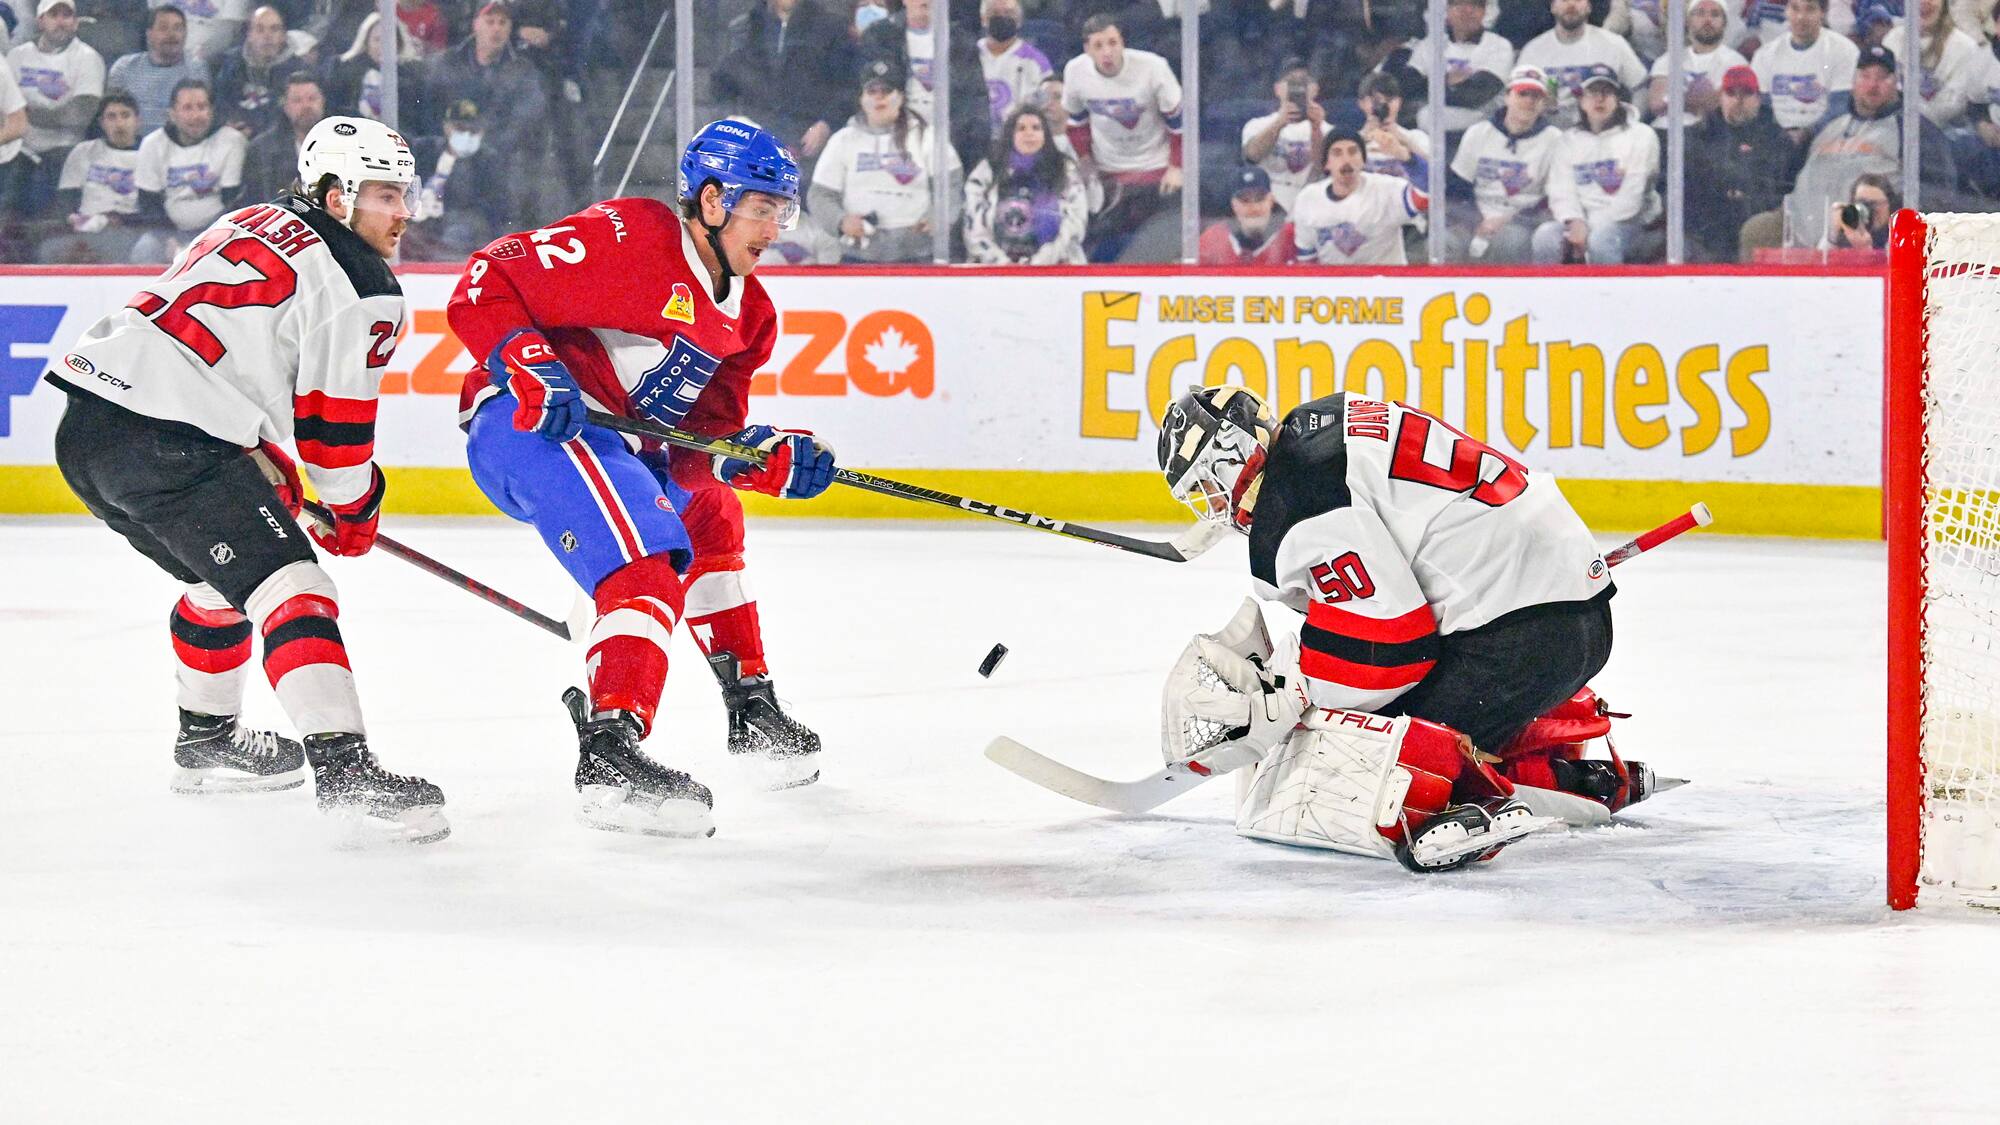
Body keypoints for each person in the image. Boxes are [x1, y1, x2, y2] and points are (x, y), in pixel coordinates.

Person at [45, 115, 443, 843]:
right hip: (172, 440)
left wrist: (261, 457)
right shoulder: (362, 281)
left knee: (228, 576)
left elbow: (220, 352)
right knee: (297, 586)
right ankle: (346, 771)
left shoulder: (254, 217)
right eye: (387, 195)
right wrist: (356, 511)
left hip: (90, 429)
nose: (403, 213)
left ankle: (207, 740)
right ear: (335, 196)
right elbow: (333, 438)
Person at [445, 120, 835, 839]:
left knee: (710, 512)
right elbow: (483, 280)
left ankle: (750, 706)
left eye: (785, 210)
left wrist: (761, 457)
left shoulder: (751, 315)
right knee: (648, 558)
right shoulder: (634, 235)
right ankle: (610, 751)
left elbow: (696, 449)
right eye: (763, 207)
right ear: (712, 201)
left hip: (619, 447)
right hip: (533, 426)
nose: (776, 226)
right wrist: (530, 363)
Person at [1150, 384, 1650, 872]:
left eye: (1203, 485)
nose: (1211, 503)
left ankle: (1480, 801)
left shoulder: (1297, 505)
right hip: (1575, 614)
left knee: (1352, 746)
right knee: (1393, 702)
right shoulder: (1328, 417)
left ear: (1230, 457)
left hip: (1521, 643)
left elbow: (1395, 647)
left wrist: (1295, 696)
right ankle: (1577, 776)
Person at [1756, 45, 1955, 249]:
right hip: (1800, 235)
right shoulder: (1830, 127)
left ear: (1897, 83)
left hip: (1866, 242)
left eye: (1882, 77)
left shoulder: (1914, 129)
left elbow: (1938, 193)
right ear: (1853, 82)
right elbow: (1789, 179)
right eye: (1865, 76)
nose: (1872, 85)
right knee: (1757, 231)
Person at [1062, 14, 1183, 262]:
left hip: (1156, 167)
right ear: (1087, 49)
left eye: (1113, 43)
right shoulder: (1075, 71)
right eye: (1098, 45)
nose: (1107, 52)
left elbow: (1179, 124)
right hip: (1108, 171)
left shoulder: (1153, 67)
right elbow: (1076, 123)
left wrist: (1176, 166)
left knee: (1159, 249)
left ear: (1122, 43)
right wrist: (1086, 161)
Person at [1533, 66, 1660, 263]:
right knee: (1545, 236)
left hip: (1632, 224)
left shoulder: (1642, 135)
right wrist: (1574, 221)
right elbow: (1561, 190)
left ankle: (1611, 294)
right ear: (1581, 100)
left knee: (1601, 240)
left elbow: (1632, 197)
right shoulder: (1567, 141)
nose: (1599, 99)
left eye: (1607, 92)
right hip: (1580, 223)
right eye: (1592, 92)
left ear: (1617, 99)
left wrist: (1587, 229)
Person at [712, 0, 855, 161]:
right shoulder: (743, 29)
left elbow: (848, 85)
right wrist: (734, 118)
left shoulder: (832, 28)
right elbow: (722, 84)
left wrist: (827, 125)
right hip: (755, 145)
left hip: (810, 145)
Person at [1447, 64, 1562, 261]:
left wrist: (1507, 220)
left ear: (1544, 103)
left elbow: (1553, 200)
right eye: (1522, 93)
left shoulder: (1555, 140)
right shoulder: (1478, 132)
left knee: (1510, 241)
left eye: (1536, 96)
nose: (1529, 101)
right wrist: (1476, 220)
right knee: (1445, 242)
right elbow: (1457, 189)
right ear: (1508, 96)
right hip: (1475, 215)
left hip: (1524, 220)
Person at [858, 0, 990, 168]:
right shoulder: (879, 36)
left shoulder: (962, 43)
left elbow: (975, 102)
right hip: (892, 142)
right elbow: (864, 91)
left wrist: (971, 152)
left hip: (948, 145)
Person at [1683, 66, 1795, 261]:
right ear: (1721, 98)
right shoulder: (1699, 136)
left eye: (1747, 93)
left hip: (1758, 225)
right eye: (1731, 93)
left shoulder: (1778, 139)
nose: (1738, 100)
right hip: (1709, 231)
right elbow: (1690, 193)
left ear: (1759, 99)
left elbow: (1785, 189)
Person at [129, 78, 244, 262]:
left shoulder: (231, 141)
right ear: (172, 114)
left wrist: (210, 239)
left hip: (220, 232)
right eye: (187, 108)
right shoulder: (153, 144)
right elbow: (149, 203)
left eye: (201, 107)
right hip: (169, 233)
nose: (196, 115)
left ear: (211, 111)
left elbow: (233, 201)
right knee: (145, 250)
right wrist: (168, 238)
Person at [8, 0, 105, 214]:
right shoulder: (17, 57)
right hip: (19, 149)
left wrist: (25, 113)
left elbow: (79, 115)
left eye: (67, 15)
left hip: (63, 151)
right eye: (54, 15)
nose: (61, 22)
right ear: (40, 21)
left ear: (75, 22)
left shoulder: (88, 58)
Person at [963, 102, 1086, 263]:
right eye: (1021, 128)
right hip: (994, 271)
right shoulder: (988, 169)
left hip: (1057, 267)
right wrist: (1002, 264)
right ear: (1010, 134)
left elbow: (1076, 222)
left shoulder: (1064, 168)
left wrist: (1040, 262)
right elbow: (973, 225)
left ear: (1045, 134)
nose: (1029, 134)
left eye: (1036, 128)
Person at [1291, 126, 1427, 266]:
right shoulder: (1307, 199)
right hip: (1335, 284)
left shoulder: (1386, 189)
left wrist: (1405, 156)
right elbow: (1306, 260)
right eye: (1337, 153)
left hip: (1385, 283)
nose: (1346, 160)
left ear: (1363, 160)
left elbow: (1427, 191)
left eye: (1353, 152)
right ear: (1326, 163)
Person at [1386, 0, 1514, 141]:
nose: (1467, 10)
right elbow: (1405, 87)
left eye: (1475, 4)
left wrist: (1429, 83)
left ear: (1485, 11)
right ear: (1446, 10)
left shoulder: (1498, 46)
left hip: (1480, 135)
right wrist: (1446, 79)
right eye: (1458, 4)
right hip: (1424, 136)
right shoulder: (1431, 43)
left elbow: (1475, 96)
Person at [38, 92, 140, 262]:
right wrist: (73, 219)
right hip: (85, 229)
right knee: (49, 250)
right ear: (102, 123)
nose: (119, 123)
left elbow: (152, 206)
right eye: (111, 117)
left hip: (127, 229)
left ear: (137, 120)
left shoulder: (149, 153)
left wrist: (117, 220)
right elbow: (66, 201)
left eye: (125, 116)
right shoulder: (84, 152)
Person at [1516, 0, 1647, 126]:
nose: (1571, 4)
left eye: (1578, 0)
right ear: (1553, 7)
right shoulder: (1533, 50)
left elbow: (1641, 88)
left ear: (1589, 7)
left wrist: (1631, 125)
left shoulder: (1613, 44)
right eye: (1564, 0)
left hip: (1601, 133)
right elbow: (1517, 98)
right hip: (1550, 136)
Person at [1749, 0, 1858, 140]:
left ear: (1823, 12)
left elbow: (1840, 108)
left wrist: (1807, 134)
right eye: (1795, 8)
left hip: (1827, 139)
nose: (1801, 17)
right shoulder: (1766, 54)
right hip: (1776, 140)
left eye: (1810, 9)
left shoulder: (1844, 50)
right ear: (1786, 11)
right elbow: (1762, 107)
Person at [1240, 58, 1327, 214]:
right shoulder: (1257, 125)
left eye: (1304, 82)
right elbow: (1252, 156)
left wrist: (1316, 130)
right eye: (1291, 83)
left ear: (1315, 89)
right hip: (1269, 205)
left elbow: (1323, 168)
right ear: (1277, 89)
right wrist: (1280, 123)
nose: (1298, 88)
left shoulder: (1327, 130)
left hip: (1310, 206)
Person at [1644, 0, 1746, 129]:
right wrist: (1699, 99)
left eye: (1715, 14)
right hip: (1666, 131)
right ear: (1688, 21)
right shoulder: (1668, 59)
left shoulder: (1737, 63)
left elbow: (1725, 107)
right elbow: (1656, 104)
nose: (1707, 20)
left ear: (1724, 23)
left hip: (1712, 134)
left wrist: (1676, 99)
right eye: (1700, 13)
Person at [209, 5, 307, 138]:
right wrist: (226, 125)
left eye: (274, 29)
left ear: (284, 35)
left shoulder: (298, 71)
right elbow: (220, 102)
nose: (267, 36)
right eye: (260, 29)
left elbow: (293, 116)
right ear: (249, 35)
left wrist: (254, 130)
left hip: (275, 142)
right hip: (231, 137)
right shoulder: (232, 63)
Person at [107, 6, 209, 133]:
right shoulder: (124, 66)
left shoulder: (196, 70)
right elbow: (111, 115)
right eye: (163, 28)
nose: (171, 34)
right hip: (132, 146)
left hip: (179, 145)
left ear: (185, 34)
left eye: (178, 28)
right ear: (149, 34)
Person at [240, 71, 320, 203]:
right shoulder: (262, 149)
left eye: (312, 98)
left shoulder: (345, 142)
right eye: (297, 100)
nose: (306, 106)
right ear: (285, 106)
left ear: (323, 101)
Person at [976, 0, 1052, 135]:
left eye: (1008, 12)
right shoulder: (969, 55)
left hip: (1017, 139)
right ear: (983, 19)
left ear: (1019, 20)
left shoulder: (1036, 61)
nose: (1002, 17)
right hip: (974, 139)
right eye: (995, 13)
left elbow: (1045, 106)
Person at [1196, 165, 1294, 265]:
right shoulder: (1213, 239)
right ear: (1233, 204)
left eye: (1260, 199)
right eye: (1245, 200)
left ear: (1271, 200)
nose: (1254, 208)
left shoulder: (1292, 236)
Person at [154, 0, 248, 66]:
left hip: (204, 60)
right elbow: (150, 20)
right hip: (161, 52)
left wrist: (202, 52)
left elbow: (230, 31)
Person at [1826, 170, 1898, 249]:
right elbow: (1821, 257)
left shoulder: (1896, 237)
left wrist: (1863, 249)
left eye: (1874, 204)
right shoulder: (1847, 233)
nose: (1868, 209)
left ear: (1890, 206)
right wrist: (1835, 233)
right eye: (1861, 202)